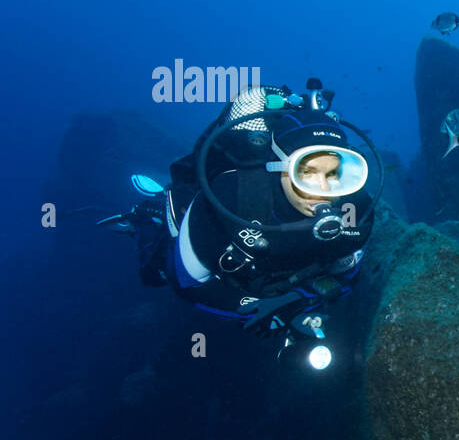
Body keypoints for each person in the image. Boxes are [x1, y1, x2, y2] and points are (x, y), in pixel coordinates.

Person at [99, 82, 380, 344]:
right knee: (156, 271)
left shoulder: (356, 210)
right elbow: (187, 282)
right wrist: (247, 307)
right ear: (278, 167)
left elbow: (347, 275)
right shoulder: (230, 200)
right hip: (224, 261)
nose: (323, 190)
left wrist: (297, 299)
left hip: (281, 279)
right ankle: (149, 214)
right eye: (305, 172)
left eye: (334, 173)